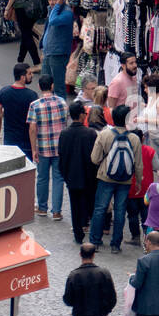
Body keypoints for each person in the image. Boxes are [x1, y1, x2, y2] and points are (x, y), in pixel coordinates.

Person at [88, 103, 144, 252]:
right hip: (125, 180)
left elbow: (94, 158)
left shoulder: (104, 135)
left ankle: (95, 241)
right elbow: (138, 163)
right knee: (120, 211)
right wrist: (138, 180)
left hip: (106, 177)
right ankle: (115, 245)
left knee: (100, 208)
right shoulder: (134, 139)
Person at [28, 73, 69, 219]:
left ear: (39, 86)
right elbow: (66, 123)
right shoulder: (62, 103)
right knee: (58, 178)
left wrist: (33, 149)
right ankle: (57, 211)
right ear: (52, 86)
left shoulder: (35, 105)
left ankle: (42, 207)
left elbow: (32, 128)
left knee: (42, 178)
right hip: (60, 148)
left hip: (43, 147)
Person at [58, 100, 98, 241]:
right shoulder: (90, 134)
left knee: (74, 206)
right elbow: (95, 157)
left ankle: (78, 233)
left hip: (72, 176)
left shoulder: (64, 134)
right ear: (81, 115)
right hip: (89, 177)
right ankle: (93, 235)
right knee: (91, 205)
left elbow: (61, 156)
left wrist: (65, 174)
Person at [0, 61, 37, 159]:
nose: (32, 75)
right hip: (26, 142)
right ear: (22, 77)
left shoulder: (3, 92)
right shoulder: (32, 96)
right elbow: (33, 124)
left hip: (9, 141)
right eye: (29, 73)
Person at [40, 0, 75, 100]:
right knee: (45, 85)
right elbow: (47, 29)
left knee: (58, 86)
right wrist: (42, 47)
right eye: (49, 0)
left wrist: (58, 6)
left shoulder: (67, 12)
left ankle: (61, 112)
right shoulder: (52, 10)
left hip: (58, 54)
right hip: (48, 52)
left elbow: (53, 21)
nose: (51, 3)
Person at [126, 129, 157, 247]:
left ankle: (135, 237)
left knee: (132, 215)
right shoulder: (150, 151)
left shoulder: (128, 151)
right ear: (142, 138)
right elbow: (157, 166)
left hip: (130, 188)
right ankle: (148, 238)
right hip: (147, 189)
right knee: (146, 214)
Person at [107, 50, 141, 119]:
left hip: (134, 122)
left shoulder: (134, 77)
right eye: (131, 63)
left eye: (135, 62)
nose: (135, 65)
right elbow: (111, 108)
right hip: (122, 124)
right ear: (123, 66)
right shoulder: (117, 82)